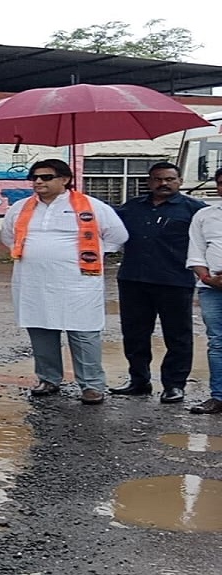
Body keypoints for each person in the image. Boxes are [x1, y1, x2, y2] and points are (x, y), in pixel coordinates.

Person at [1, 159, 128, 404]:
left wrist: (91, 255)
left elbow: (117, 236)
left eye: (46, 177)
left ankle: (91, 385)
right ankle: (48, 379)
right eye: (35, 177)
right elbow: (8, 237)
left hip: (78, 283)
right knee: (41, 329)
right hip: (33, 282)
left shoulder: (92, 206)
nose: (38, 182)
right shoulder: (20, 208)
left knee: (83, 333)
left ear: (65, 179)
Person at [112, 162, 206, 404]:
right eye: (157, 179)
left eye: (169, 179)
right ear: (149, 181)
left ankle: (174, 385)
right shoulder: (131, 208)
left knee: (178, 336)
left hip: (174, 281)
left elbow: (212, 240)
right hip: (133, 279)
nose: (163, 183)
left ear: (180, 181)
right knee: (134, 334)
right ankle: (138, 381)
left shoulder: (195, 210)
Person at [186, 167, 222, 415]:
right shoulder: (204, 215)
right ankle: (218, 396)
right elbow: (196, 251)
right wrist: (206, 277)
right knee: (217, 343)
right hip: (212, 287)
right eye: (221, 183)